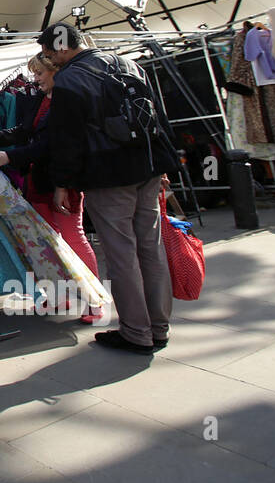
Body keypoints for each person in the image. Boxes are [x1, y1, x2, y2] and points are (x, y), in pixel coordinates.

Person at [37, 22, 181, 355]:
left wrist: (62, 183)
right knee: (150, 247)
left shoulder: (70, 80)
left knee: (122, 253)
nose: (48, 58)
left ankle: (136, 332)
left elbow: (66, 139)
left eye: (48, 52)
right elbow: (157, 116)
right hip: (147, 165)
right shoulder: (127, 64)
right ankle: (158, 326)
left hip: (108, 173)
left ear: (60, 48)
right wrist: (165, 163)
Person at [0, 53, 102, 322]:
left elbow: (51, 145)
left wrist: (11, 157)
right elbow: (23, 131)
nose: (35, 79)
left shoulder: (66, 101)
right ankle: (63, 295)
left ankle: (94, 301)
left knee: (74, 239)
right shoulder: (38, 99)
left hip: (62, 180)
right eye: (34, 74)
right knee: (50, 243)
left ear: (56, 71)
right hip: (39, 181)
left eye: (39, 74)